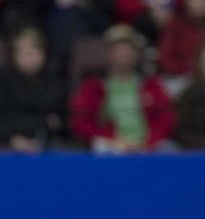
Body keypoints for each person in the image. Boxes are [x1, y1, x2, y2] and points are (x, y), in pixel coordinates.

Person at [70, 24, 175, 152]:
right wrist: (111, 140)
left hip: (147, 146)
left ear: (137, 53)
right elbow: (80, 122)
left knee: (169, 148)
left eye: (128, 49)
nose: (123, 54)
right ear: (107, 53)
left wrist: (148, 142)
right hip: (109, 145)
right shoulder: (93, 87)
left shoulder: (152, 86)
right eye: (118, 49)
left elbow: (166, 118)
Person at [0, 26, 65, 151]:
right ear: (14, 55)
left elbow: (59, 118)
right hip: (6, 145)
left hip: (47, 144)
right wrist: (12, 139)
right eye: (25, 53)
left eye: (36, 52)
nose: (31, 58)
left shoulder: (53, 80)